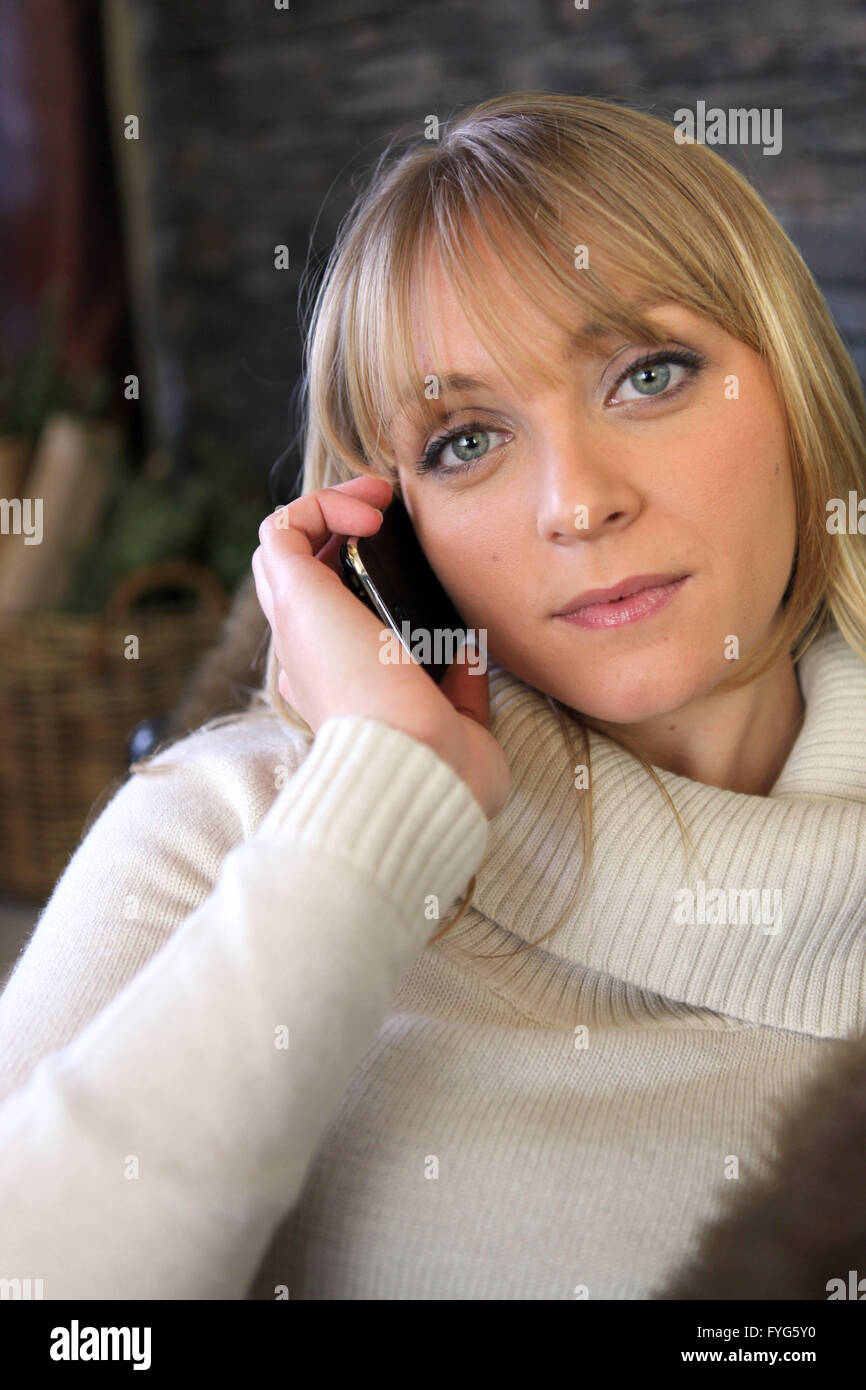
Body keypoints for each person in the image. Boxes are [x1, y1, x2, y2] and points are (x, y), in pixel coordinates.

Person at [1, 91, 865, 1301]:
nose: (576, 501)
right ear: (389, 533)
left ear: (794, 391)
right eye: (465, 439)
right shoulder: (229, 824)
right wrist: (384, 800)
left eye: (647, 373)